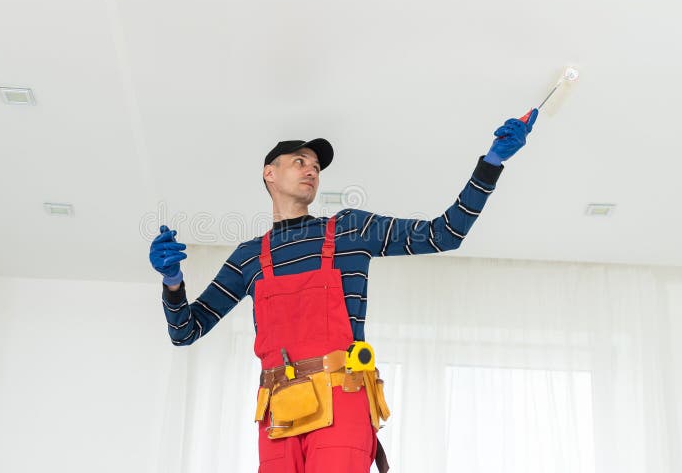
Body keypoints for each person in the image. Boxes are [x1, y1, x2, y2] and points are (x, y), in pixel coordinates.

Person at [150, 109, 538, 472]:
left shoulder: (351, 231)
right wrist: (172, 281)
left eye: (316, 167)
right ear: (270, 173)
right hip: (277, 411)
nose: (311, 170)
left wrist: (492, 162)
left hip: (342, 398)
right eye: (299, 161)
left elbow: (445, 233)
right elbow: (185, 331)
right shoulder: (249, 257)